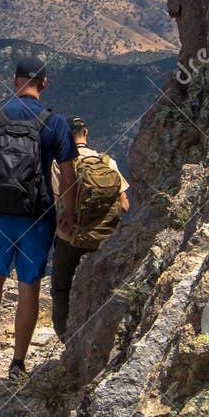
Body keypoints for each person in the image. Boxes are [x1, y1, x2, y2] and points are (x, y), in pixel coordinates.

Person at [0, 56, 76, 383]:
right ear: (44, 82)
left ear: (15, 81)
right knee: (29, 287)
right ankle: (17, 364)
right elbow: (68, 175)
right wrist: (66, 212)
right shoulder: (55, 122)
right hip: (37, 216)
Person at [50, 117, 130, 340]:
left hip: (70, 238)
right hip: (104, 241)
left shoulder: (59, 164)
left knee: (61, 289)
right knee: (103, 289)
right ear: (86, 132)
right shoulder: (107, 162)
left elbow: (57, 204)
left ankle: (66, 338)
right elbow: (124, 204)